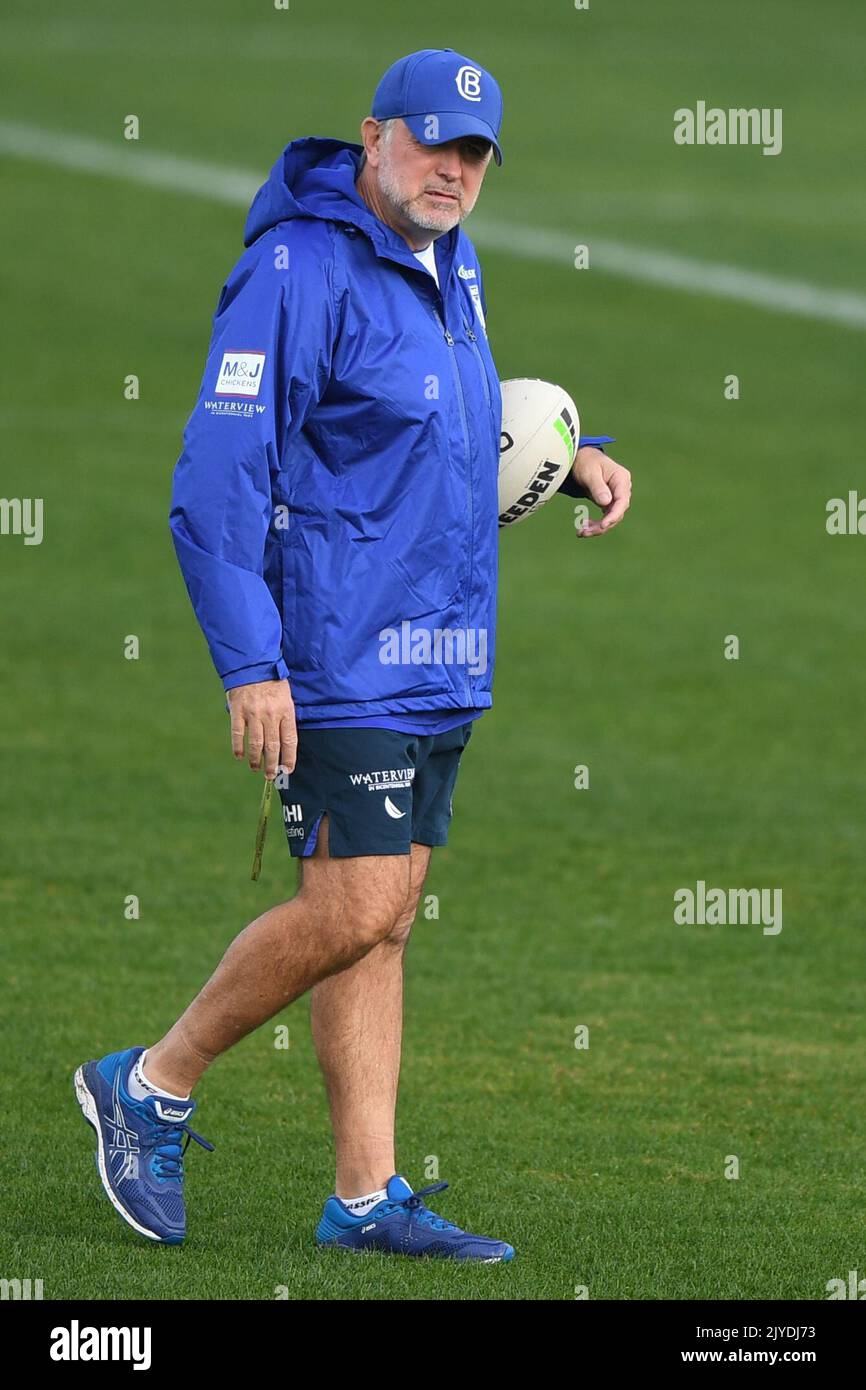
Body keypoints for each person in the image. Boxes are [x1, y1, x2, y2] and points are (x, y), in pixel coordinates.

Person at [73, 47, 631, 1261]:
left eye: (474, 154)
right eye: (433, 143)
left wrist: (568, 452)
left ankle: (364, 1196)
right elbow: (217, 483)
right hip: (332, 655)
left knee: (384, 920)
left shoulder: (450, 260)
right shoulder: (295, 270)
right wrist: (250, 664)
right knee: (357, 899)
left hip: (435, 650)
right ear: (371, 136)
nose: (452, 170)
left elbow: (444, 403)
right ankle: (150, 1083)